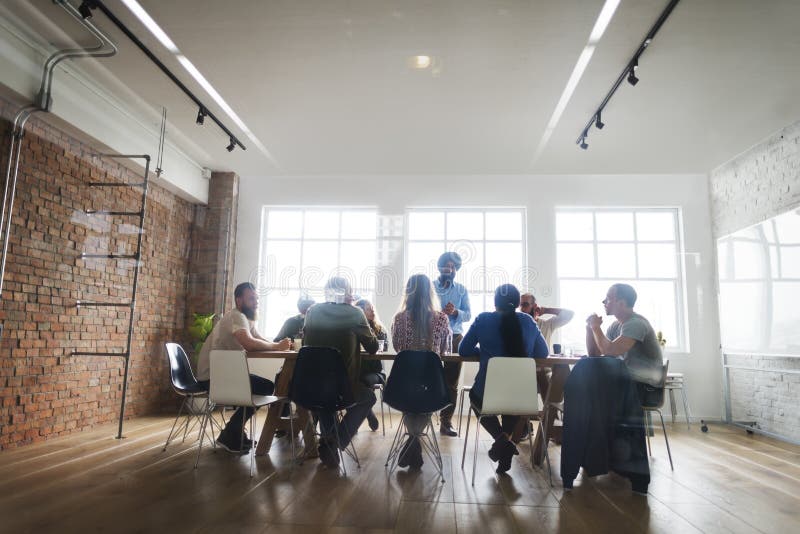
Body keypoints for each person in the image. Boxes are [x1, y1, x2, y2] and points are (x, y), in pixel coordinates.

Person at [459, 284, 549, 474]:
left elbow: (463, 350)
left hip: (487, 394)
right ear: (517, 303)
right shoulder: (528, 321)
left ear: (495, 301)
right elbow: (543, 352)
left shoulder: (483, 319)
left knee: (475, 398)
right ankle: (506, 443)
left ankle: (501, 441)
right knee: (512, 402)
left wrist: (484, 353)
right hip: (521, 396)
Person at [196, 282, 291, 453]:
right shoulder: (237, 316)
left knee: (265, 386)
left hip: (223, 375)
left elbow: (259, 339)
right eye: (251, 298)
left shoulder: (246, 318)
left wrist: (278, 345)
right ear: (239, 301)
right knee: (266, 386)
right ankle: (232, 432)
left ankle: (233, 432)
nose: (256, 302)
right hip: (212, 379)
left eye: (257, 298)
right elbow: (250, 344)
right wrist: (278, 347)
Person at [302, 276, 379, 468]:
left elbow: (305, 344)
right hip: (342, 388)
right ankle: (335, 442)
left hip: (310, 386)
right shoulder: (355, 313)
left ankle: (330, 442)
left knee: (326, 400)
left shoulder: (312, 311)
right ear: (348, 293)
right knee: (368, 397)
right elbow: (373, 347)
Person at [390, 274, 452, 469]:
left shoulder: (399, 318)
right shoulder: (442, 318)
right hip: (431, 384)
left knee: (410, 399)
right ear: (430, 293)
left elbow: (398, 346)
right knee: (426, 398)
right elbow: (444, 351)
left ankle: (412, 442)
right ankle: (414, 441)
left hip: (404, 382)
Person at [586, 283, 664, 401]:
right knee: (585, 372)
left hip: (646, 387)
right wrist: (590, 329)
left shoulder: (636, 323)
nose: (604, 302)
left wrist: (596, 327)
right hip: (630, 381)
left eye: (608, 298)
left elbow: (610, 350)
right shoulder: (615, 326)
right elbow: (595, 354)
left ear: (621, 303)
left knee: (590, 382)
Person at [433, 251, 471, 436]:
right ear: (439, 267)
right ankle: (423, 415)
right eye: (447, 266)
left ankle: (445, 421)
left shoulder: (462, 290)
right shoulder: (430, 287)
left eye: (453, 267)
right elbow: (423, 309)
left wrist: (456, 312)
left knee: (452, 382)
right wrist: (438, 312)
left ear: (456, 270)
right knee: (428, 376)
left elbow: (469, 314)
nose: (450, 269)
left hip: (455, 337)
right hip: (431, 336)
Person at [520, 292, 574, 405]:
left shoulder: (547, 325)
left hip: (544, 369)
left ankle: (550, 415)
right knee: (537, 374)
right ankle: (545, 417)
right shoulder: (517, 325)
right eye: (520, 305)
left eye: (525, 305)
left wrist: (546, 310)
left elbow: (569, 314)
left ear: (534, 306)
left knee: (560, 372)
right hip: (523, 370)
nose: (521, 309)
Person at [355, 298, 387, 431]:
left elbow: (384, 347)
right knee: (350, 382)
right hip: (357, 370)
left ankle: (359, 417)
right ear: (361, 312)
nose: (372, 310)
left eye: (372, 308)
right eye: (369, 308)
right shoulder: (354, 329)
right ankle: (368, 413)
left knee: (360, 383)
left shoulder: (379, 329)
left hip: (375, 372)